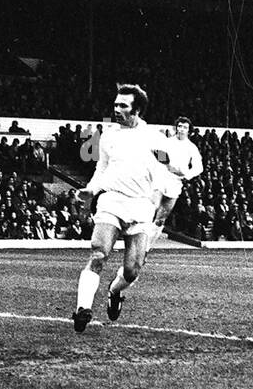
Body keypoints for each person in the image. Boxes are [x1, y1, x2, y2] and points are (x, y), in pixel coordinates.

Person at [71, 84, 173, 332]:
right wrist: (91, 190)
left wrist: (158, 199)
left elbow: (164, 170)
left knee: (132, 269)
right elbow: (101, 169)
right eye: (115, 104)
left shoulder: (154, 137)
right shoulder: (108, 136)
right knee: (98, 253)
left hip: (140, 206)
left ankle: (114, 291)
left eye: (123, 105)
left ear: (136, 109)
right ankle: (82, 309)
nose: (116, 109)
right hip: (111, 201)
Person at [151, 116, 203, 244]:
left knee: (161, 219)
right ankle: (137, 242)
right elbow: (155, 153)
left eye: (185, 127)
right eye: (179, 126)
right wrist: (168, 166)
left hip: (175, 183)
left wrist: (186, 175)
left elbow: (199, 167)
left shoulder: (192, 148)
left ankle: (146, 248)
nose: (181, 129)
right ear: (176, 128)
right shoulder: (167, 142)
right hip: (161, 178)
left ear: (189, 130)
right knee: (153, 207)